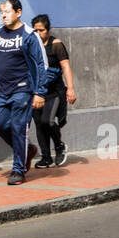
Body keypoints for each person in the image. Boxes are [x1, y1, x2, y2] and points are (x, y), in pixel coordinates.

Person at [0, 0, 48, 185]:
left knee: (19, 128)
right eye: (1, 12)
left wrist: (39, 92)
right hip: (3, 92)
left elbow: (41, 64)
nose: (3, 15)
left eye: (7, 11)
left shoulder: (29, 35)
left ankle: (18, 170)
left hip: (23, 91)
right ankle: (27, 150)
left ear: (18, 12)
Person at [31, 14, 76, 167]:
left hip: (54, 92)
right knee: (38, 124)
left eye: (41, 30)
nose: (38, 33)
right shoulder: (31, 45)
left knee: (47, 121)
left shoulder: (56, 44)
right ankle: (45, 157)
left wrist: (70, 88)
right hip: (37, 92)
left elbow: (65, 66)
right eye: (35, 30)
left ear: (48, 30)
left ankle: (59, 146)